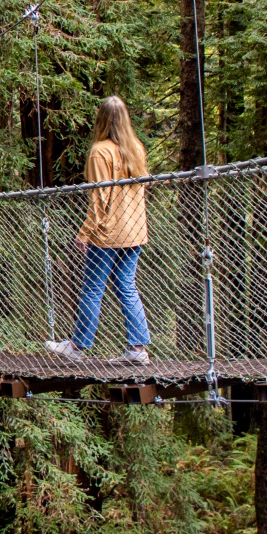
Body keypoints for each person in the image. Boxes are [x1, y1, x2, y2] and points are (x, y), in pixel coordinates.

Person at [45, 96, 153, 365]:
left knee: (93, 288)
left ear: (100, 119)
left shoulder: (100, 151)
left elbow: (99, 198)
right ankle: (138, 348)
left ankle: (77, 346)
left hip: (107, 233)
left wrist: (85, 232)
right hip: (135, 232)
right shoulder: (136, 149)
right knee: (127, 286)